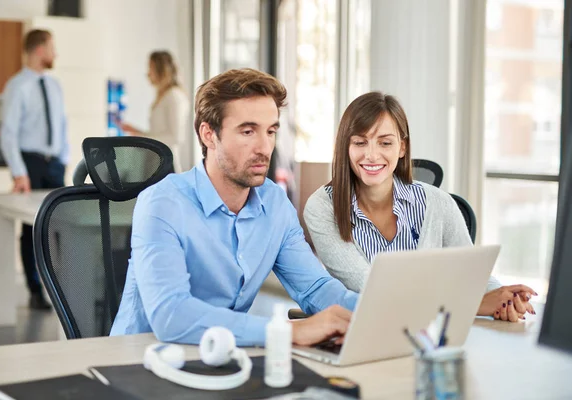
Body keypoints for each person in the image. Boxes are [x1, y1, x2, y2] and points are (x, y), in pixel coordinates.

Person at [110, 68, 357, 346]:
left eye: (271, 131)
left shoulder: (274, 204)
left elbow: (316, 288)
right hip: (139, 364)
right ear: (208, 135)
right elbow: (172, 316)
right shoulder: (162, 204)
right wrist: (289, 332)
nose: (265, 147)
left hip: (221, 361)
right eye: (248, 131)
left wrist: (376, 315)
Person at [303, 92, 537, 323]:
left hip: (431, 339)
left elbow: (473, 276)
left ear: (402, 148)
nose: (372, 155)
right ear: (346, 146)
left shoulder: (440, 203)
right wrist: (474, 304)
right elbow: (370, 289)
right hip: (362, 339)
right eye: (360, 142)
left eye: (385, 143)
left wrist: (506, 300)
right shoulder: (322, 208)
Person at [0, 29, 69, 310]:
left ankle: (62, 288)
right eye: (52, 47)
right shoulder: (17, 86)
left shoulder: (55, 86)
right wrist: (19, 172)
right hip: (30, 163)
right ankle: (34, 290)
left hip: (54, 164)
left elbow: (62, 126)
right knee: (31, 229)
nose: (56, 54)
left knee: (59, 226)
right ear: (40, 50)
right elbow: (8, 134)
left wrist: (63, 158)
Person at [119, 51, 190, 173]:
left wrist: (141, 137)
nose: (148, 74)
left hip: (167, 163)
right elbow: (159, 133)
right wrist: (136, 132)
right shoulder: (164, 96)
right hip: (156, 161)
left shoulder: (174, 96)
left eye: (150, 68)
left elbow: (175, 137)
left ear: (161, 70)